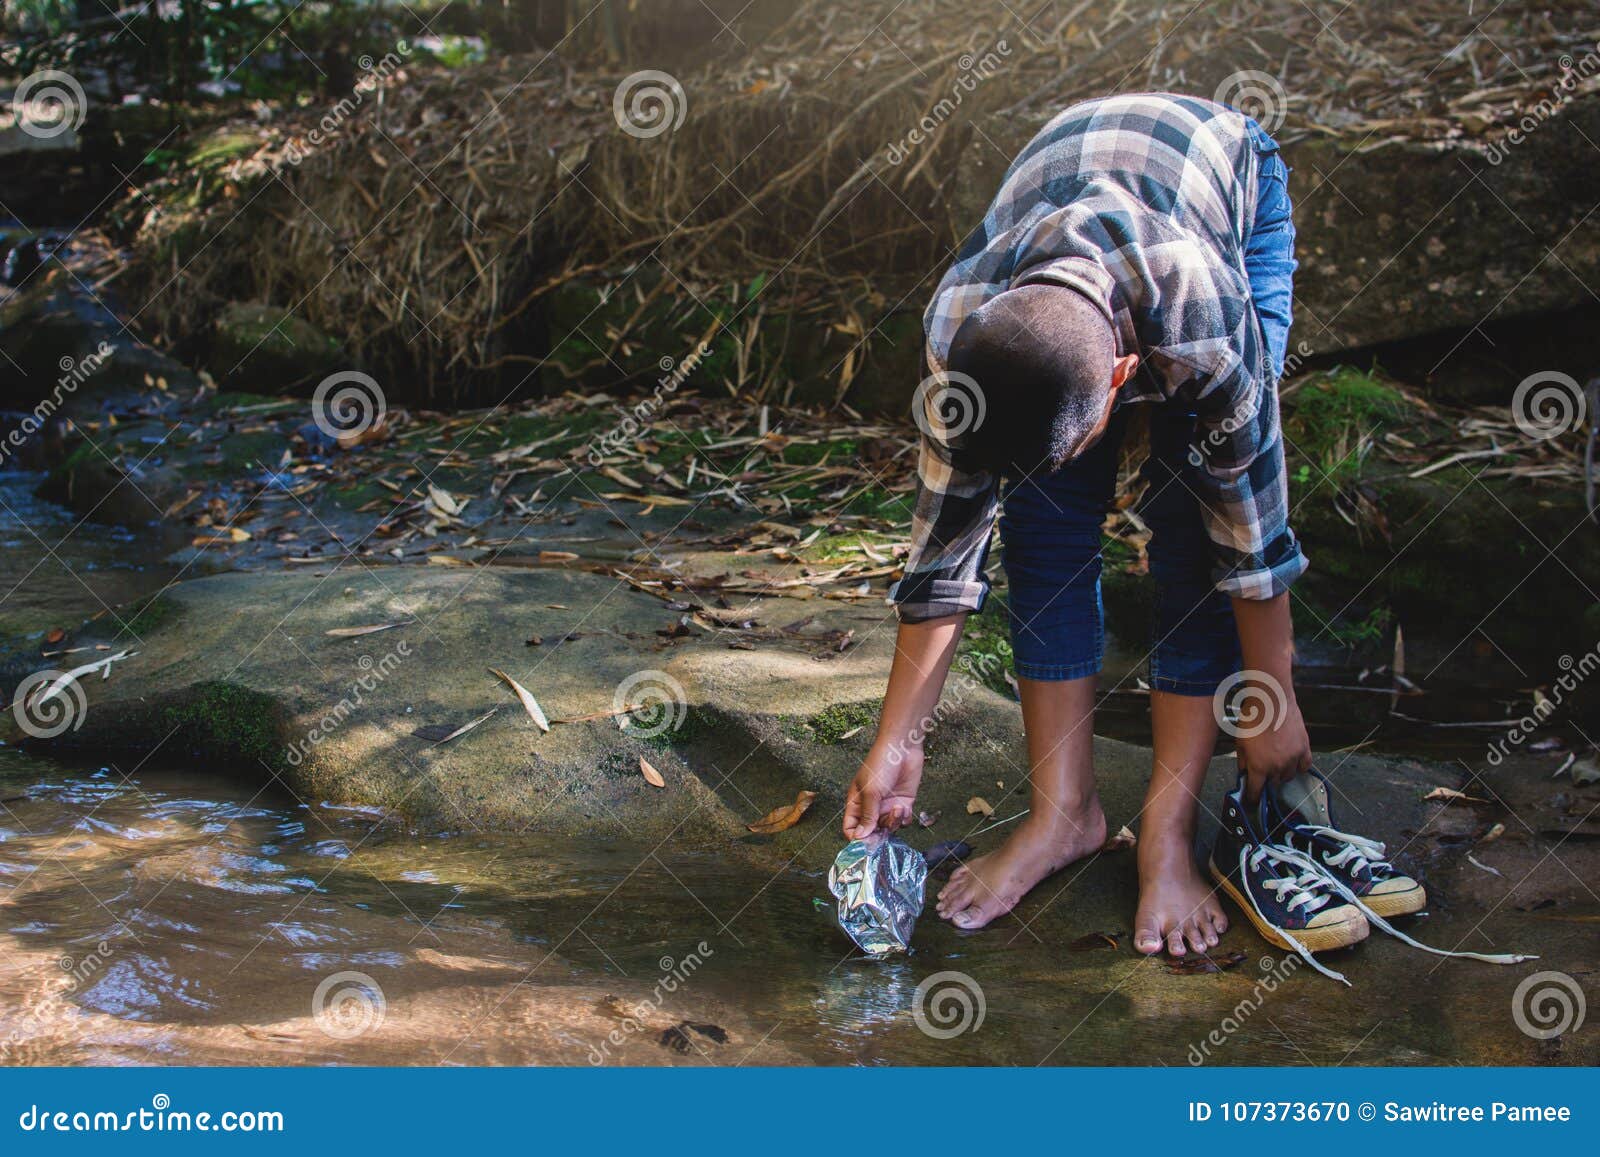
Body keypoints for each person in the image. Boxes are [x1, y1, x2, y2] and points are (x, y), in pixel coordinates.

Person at [842, 91, 1390, 959]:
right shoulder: (962, 328)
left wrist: (1272, 700)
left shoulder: (1206, 328)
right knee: (1041, 518)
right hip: (1071, 199)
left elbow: (1249, 537)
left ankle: (1165, 838)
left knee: (1190, 519)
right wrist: (897, 742)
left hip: (1226, 196)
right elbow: (944, 552)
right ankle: (1065, 816)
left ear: (1128, 374)